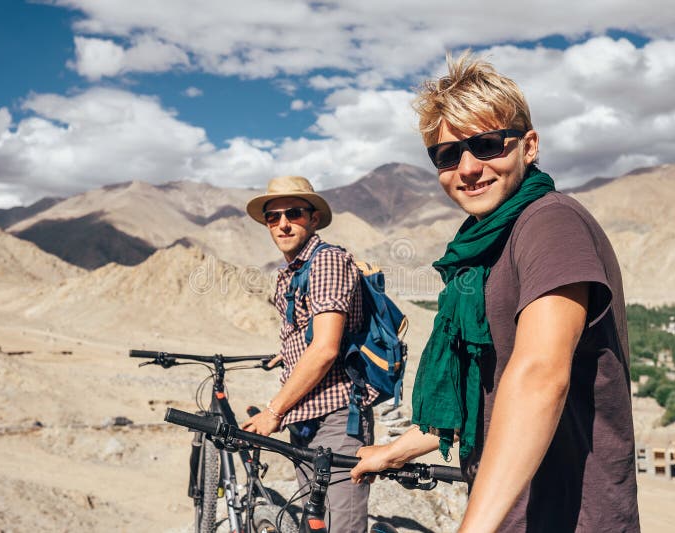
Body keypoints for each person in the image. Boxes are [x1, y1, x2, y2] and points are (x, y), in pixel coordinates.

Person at [350, 52, 640, 532]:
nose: (467, 168)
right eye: (448, 155)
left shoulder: (550, 223)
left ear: (529, 146)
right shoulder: (482, 249)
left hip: (569, 517)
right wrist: (397, 451)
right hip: (512, 513)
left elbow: (539, 376)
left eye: (486, 145)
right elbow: (484, 390)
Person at [241, 175, 375, 533]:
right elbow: (308, 331)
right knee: (316, 524)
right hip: (304, 419)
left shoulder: (326, 261)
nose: (283, 223)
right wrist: (286, 355)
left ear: (314, 218)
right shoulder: (291, 271)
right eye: (273, 216)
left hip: (337, 419)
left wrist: (273, 412)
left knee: (340, 527)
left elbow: (326, 348)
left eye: (294, 213)